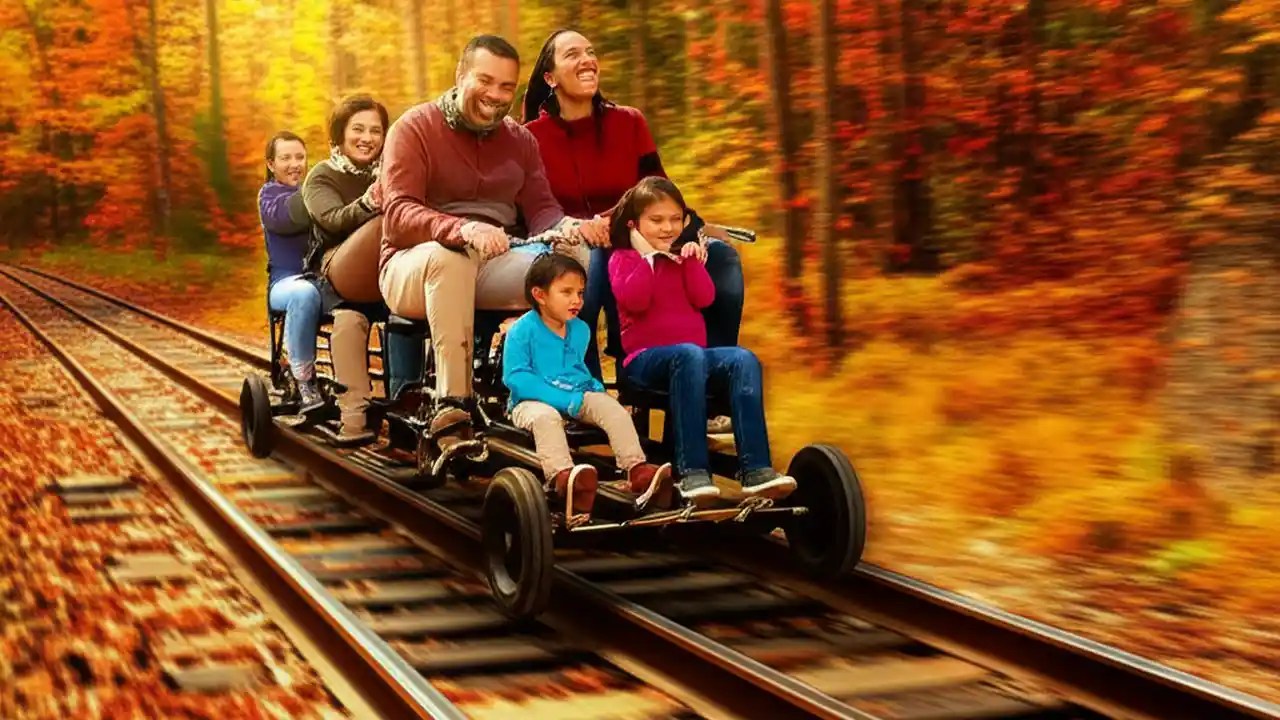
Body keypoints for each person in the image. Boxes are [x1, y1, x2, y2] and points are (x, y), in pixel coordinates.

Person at [379, 34, 608, 455]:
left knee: (574, 259)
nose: (496, 96)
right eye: (485, 81)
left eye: (507, 87)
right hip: (414, 265)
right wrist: (461, 229)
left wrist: (565, 227)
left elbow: (541, 209)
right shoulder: (414, 128)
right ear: (460, 76)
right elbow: (397, 216)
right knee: (451, 259)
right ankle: (453, 404)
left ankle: (562, 388)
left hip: (494, 261)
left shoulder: (520, 141)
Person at [522, 29, 744, 437]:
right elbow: (534, 206)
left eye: (591, 51)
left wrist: (684, 233)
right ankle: (585, 394)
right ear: (550, 77)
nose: (588, 59)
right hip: (572, 245)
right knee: (588, 268)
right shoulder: (532, 138)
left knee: (725, 260)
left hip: (639, 234)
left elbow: (658, 187)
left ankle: (711, 387)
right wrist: (580, 228)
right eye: (573, 54)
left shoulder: (629, 122)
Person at [608, 177, 796, 504]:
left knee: (743, 359)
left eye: (674, 220)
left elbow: (705, 297)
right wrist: (650, 257)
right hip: (643, 361)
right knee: (690, 353)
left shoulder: (684, 259)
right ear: (634, 226)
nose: (667, 228)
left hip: (690, 358)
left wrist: (692, 262)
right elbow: (635, 299)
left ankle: (756, 469)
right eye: (656, 221)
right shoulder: (624, 260)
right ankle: (692, 471)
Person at [503, 254, 674, 523]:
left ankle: (636, 468)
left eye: (580, 293)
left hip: (575, 394)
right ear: (540, 294)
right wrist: (562, 400)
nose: (577, 301)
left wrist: (594, 389)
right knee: (546, 418)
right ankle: (565, 478)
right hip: (530, 400)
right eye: (567, 292)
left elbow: (576, 367)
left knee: (612, 409)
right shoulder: (522, 331)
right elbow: (517, 378)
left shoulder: (580, 329)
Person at [301, 94, 418, 441]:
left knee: (408, 319)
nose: (367, 138)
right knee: (350, 320)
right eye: (358, 129)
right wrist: (372, 199)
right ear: (340, 134)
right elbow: (333, 221)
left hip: (388, 272)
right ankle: (353, 412)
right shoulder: (321, 176)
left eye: (376, 131)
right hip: (339, 275)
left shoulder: (393, 171)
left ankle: (406, 415)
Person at [259, 131, 323, 412]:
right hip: (286, 282)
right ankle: (303, 379)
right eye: (286, 158)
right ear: (271, 164)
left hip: (323, 281)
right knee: (304, 293)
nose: (295, 164)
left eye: (300, 157)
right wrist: (320, 189)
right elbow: (286, 218)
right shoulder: (269, 195)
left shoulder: (315, 191)